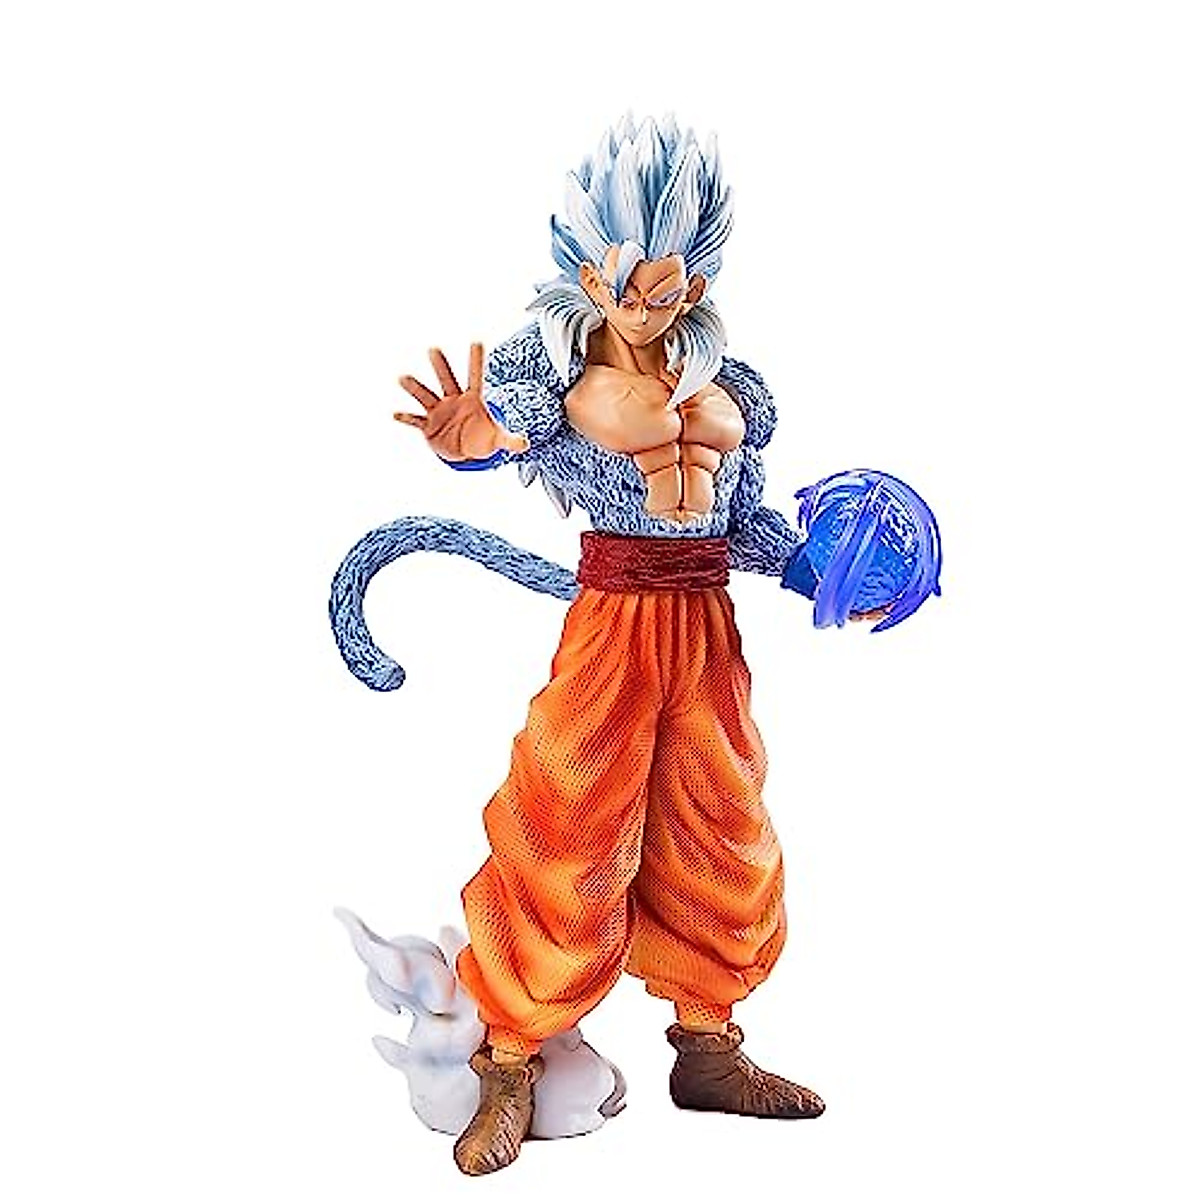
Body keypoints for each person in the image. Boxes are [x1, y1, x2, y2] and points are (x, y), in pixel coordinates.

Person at [392, 115, 827, 1177]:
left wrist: (818, 570)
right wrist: (465, 442)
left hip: (705, 625)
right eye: (624, 275)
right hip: (612, 624)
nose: (645, 298)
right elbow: (495, 437)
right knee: (568, 820)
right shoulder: (549, 377)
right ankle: (508, 1059)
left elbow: (744, 522)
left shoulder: (732, 390)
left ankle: (709, 1047)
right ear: (587, 270)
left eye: (669, 276)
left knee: (721, 824)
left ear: (697, 272)